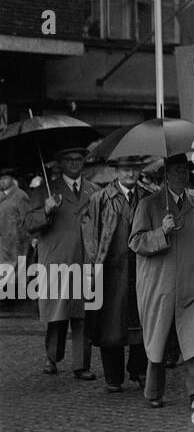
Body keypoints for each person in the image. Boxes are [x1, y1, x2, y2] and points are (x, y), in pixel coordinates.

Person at [128, 153, 194, 409]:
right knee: (158, 339)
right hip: (160, 285)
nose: (183, 175)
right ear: (166, 175)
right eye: (177, 171)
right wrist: (162, 232)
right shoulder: (149, 204)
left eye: (185, 171)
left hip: (191, 283)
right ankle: (154, 391)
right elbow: (136, 241)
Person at [23, 145, 95, 379]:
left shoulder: (93, 191)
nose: (75, 163)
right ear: (60, 163)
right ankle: (52, 357)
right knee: (57, 313)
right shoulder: (45, 189)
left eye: (79, 159)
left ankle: (81, 366)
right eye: (69, 159)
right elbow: (27, 224)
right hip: (56, 259)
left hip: (84, 260)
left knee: (83, 314)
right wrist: (46, 208)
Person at [85, 156, 149, 391]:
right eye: (125, 169)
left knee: (142, 321)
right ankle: (113, 376)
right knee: (110, 324)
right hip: (111, 271)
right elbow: (91, 237)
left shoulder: (148, 197)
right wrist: (93, 270)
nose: (130, 174)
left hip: (141, 268)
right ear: (116, 171)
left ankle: (139, 369)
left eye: (135, 168)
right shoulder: (100, 199)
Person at [0, 166, 29, 308]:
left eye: (5, 178)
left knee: (14, 268)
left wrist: (24, 236)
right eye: (1, 179)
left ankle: (11, 299)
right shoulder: (1, 196)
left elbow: (26, 218)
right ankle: (5, 297)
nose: (2, 182)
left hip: (16, 239)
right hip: (3, 239)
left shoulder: (20, 196)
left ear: (12, 180)